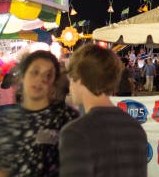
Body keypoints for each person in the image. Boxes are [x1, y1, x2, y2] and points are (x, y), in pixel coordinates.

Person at [0, 50, 79, 177]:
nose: (41, 79)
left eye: (48, 75)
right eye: (35, 72)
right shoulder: (12, 117)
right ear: (22, 76)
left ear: (54, 83)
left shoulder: (66, 118)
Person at [60, 44, 147, 176]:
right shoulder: (135, 128)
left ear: (79, 78)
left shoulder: (75, 133)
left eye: (71, 78)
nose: (70, 86)